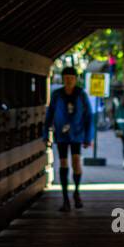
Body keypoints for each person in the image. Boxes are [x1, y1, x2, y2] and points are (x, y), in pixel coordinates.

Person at [44, 66, 92, 211]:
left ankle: (76, 191)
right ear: (63, 79)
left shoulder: (81, 94)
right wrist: (46, 133)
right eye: (66, 78)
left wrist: (88, 137)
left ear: (75, 79)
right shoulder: (57, 94)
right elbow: (49, 114)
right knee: (63, 162)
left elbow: (89, 115)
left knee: (76, 161)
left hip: (77, 133)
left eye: (71, 78)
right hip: (62, 134)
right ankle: (65, 198)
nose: (69, 81)